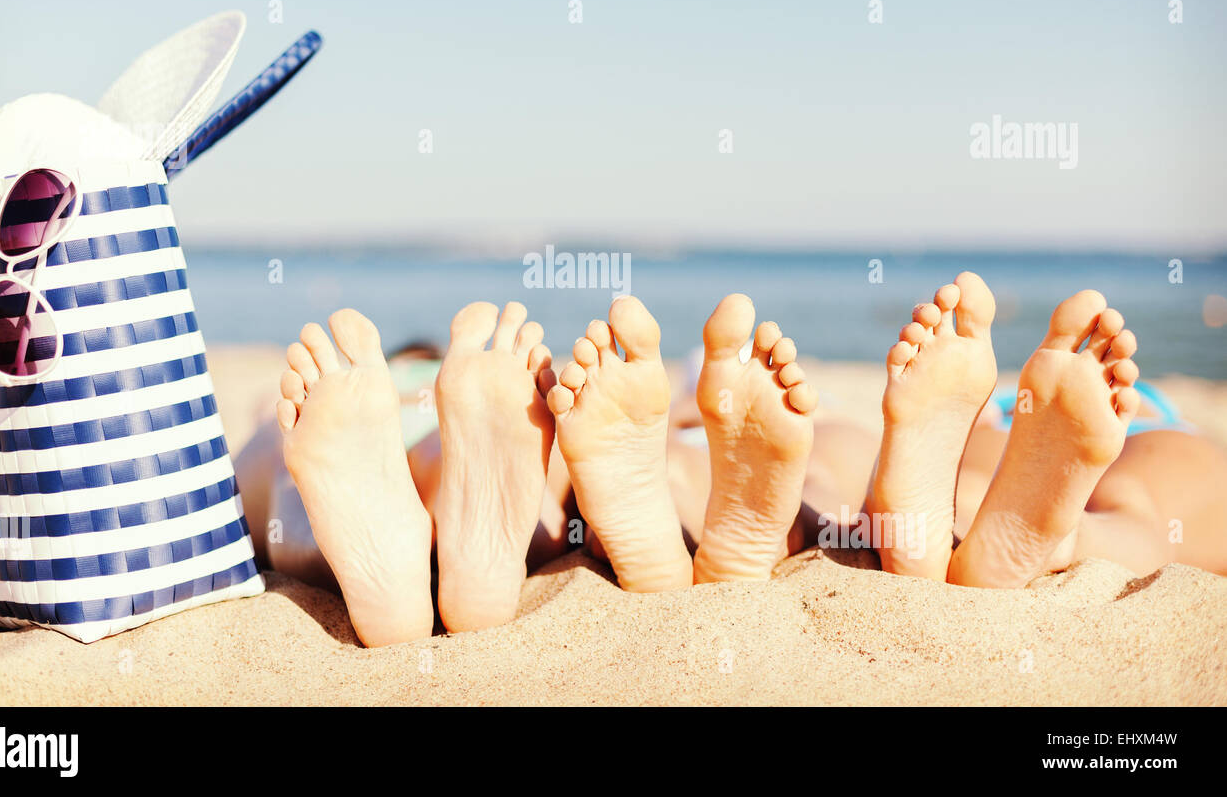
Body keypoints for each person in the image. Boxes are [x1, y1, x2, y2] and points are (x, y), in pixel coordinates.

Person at [263, 274, 1227, 647]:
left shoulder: (395, 383)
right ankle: (1035, 531)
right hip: (834, 461)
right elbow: (684, 396)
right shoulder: (681, 383)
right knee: (1154, 475)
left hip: (454, 450)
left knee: (280, 465)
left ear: (415, 362)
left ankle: (391, 541)